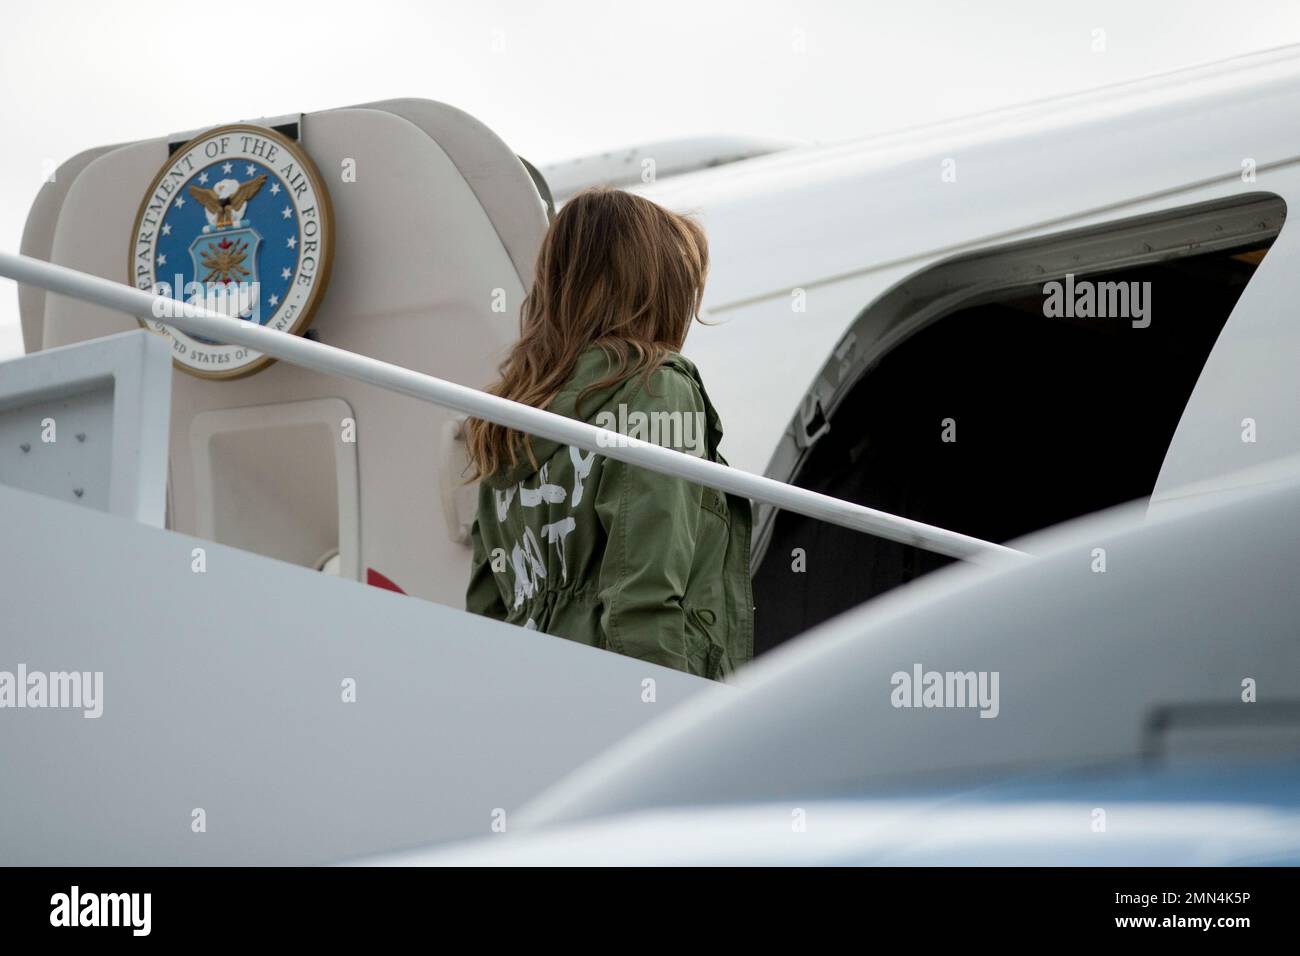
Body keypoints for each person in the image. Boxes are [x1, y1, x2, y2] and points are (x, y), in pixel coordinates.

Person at [463, 187, 753, 679]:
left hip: (529, 697)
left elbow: (485, 610)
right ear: (653, 288)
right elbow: (644, 594)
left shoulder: (508, 421)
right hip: (629, 701)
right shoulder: (657, 388)